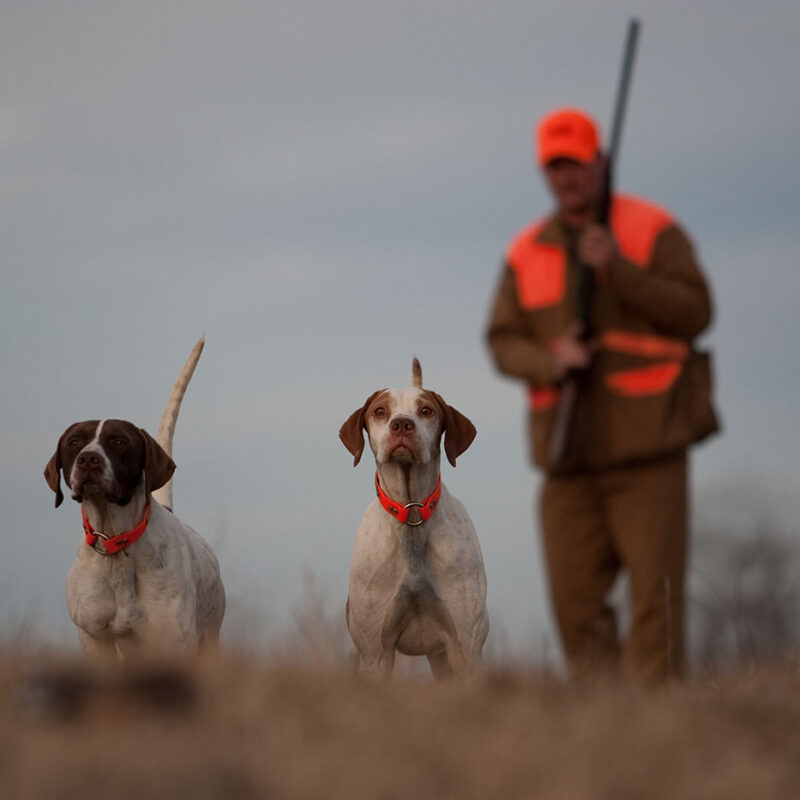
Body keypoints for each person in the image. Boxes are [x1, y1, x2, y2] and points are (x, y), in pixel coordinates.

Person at [486, 107, 717, 684]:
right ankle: (603, 733)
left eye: (577, 164)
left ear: (601, 163)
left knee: (655, 608)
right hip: (567, 459)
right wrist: (552, 360)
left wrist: (620, 271)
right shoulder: (526, 250)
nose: (566, 177)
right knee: (575, 611)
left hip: (650, 453)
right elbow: (502, 340)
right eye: (555, 166)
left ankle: (660, 737)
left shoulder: (651, 230)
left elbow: (697, 313)